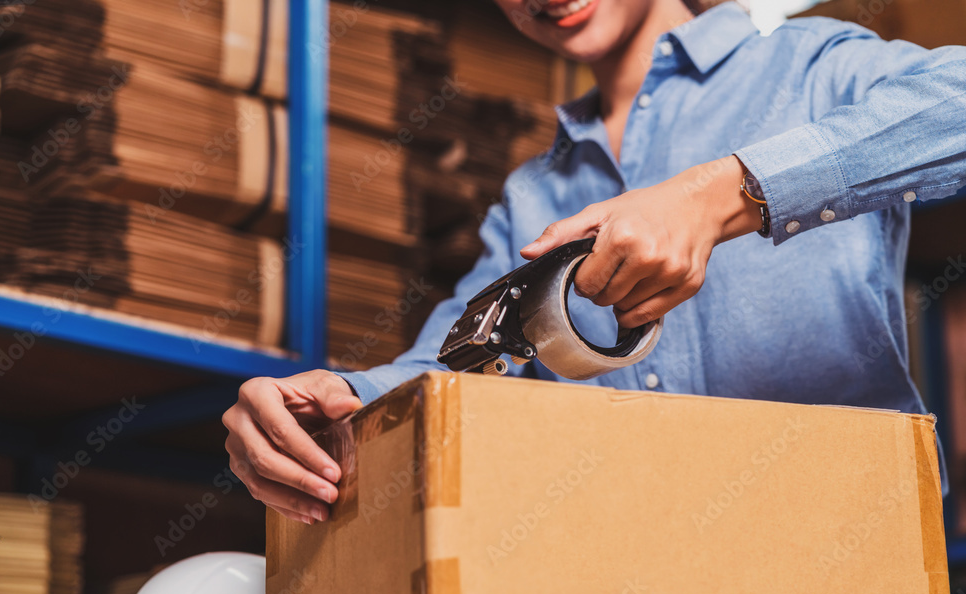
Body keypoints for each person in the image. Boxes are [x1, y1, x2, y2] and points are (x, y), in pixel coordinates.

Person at [223, 0, 966, 525]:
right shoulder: (533, 194)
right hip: (634, 579)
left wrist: (720, 195)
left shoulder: (812, 68)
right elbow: (454, 365)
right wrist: (338, 403)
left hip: (858, 568)